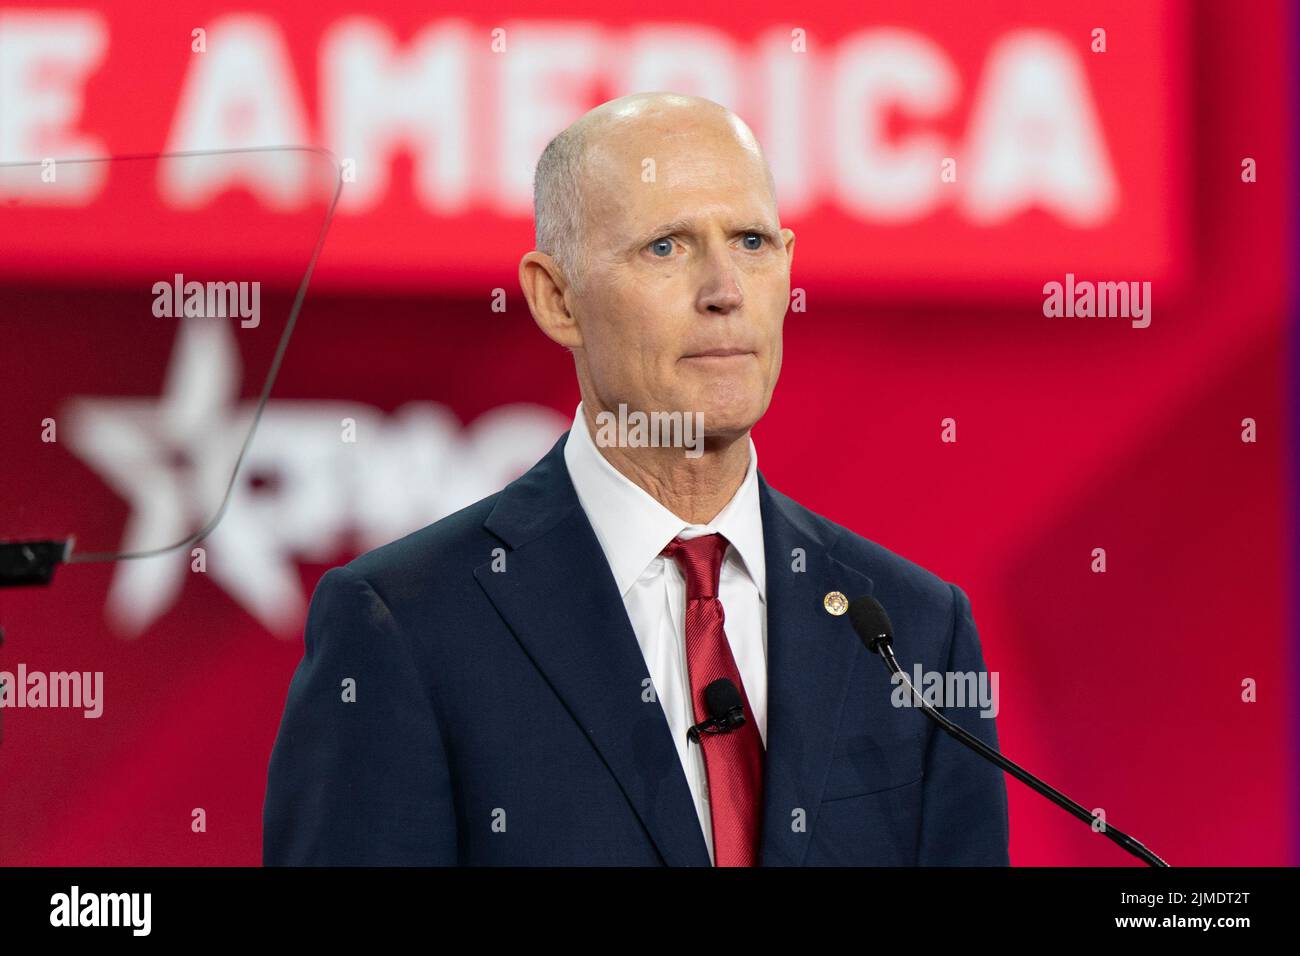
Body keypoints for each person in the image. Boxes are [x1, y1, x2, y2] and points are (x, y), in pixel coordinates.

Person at [263, 91, 1010, 866]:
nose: (725, 289)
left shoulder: (914, 631)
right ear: (557, 300)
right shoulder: (405, 625)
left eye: (751, 241)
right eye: (667, 247)